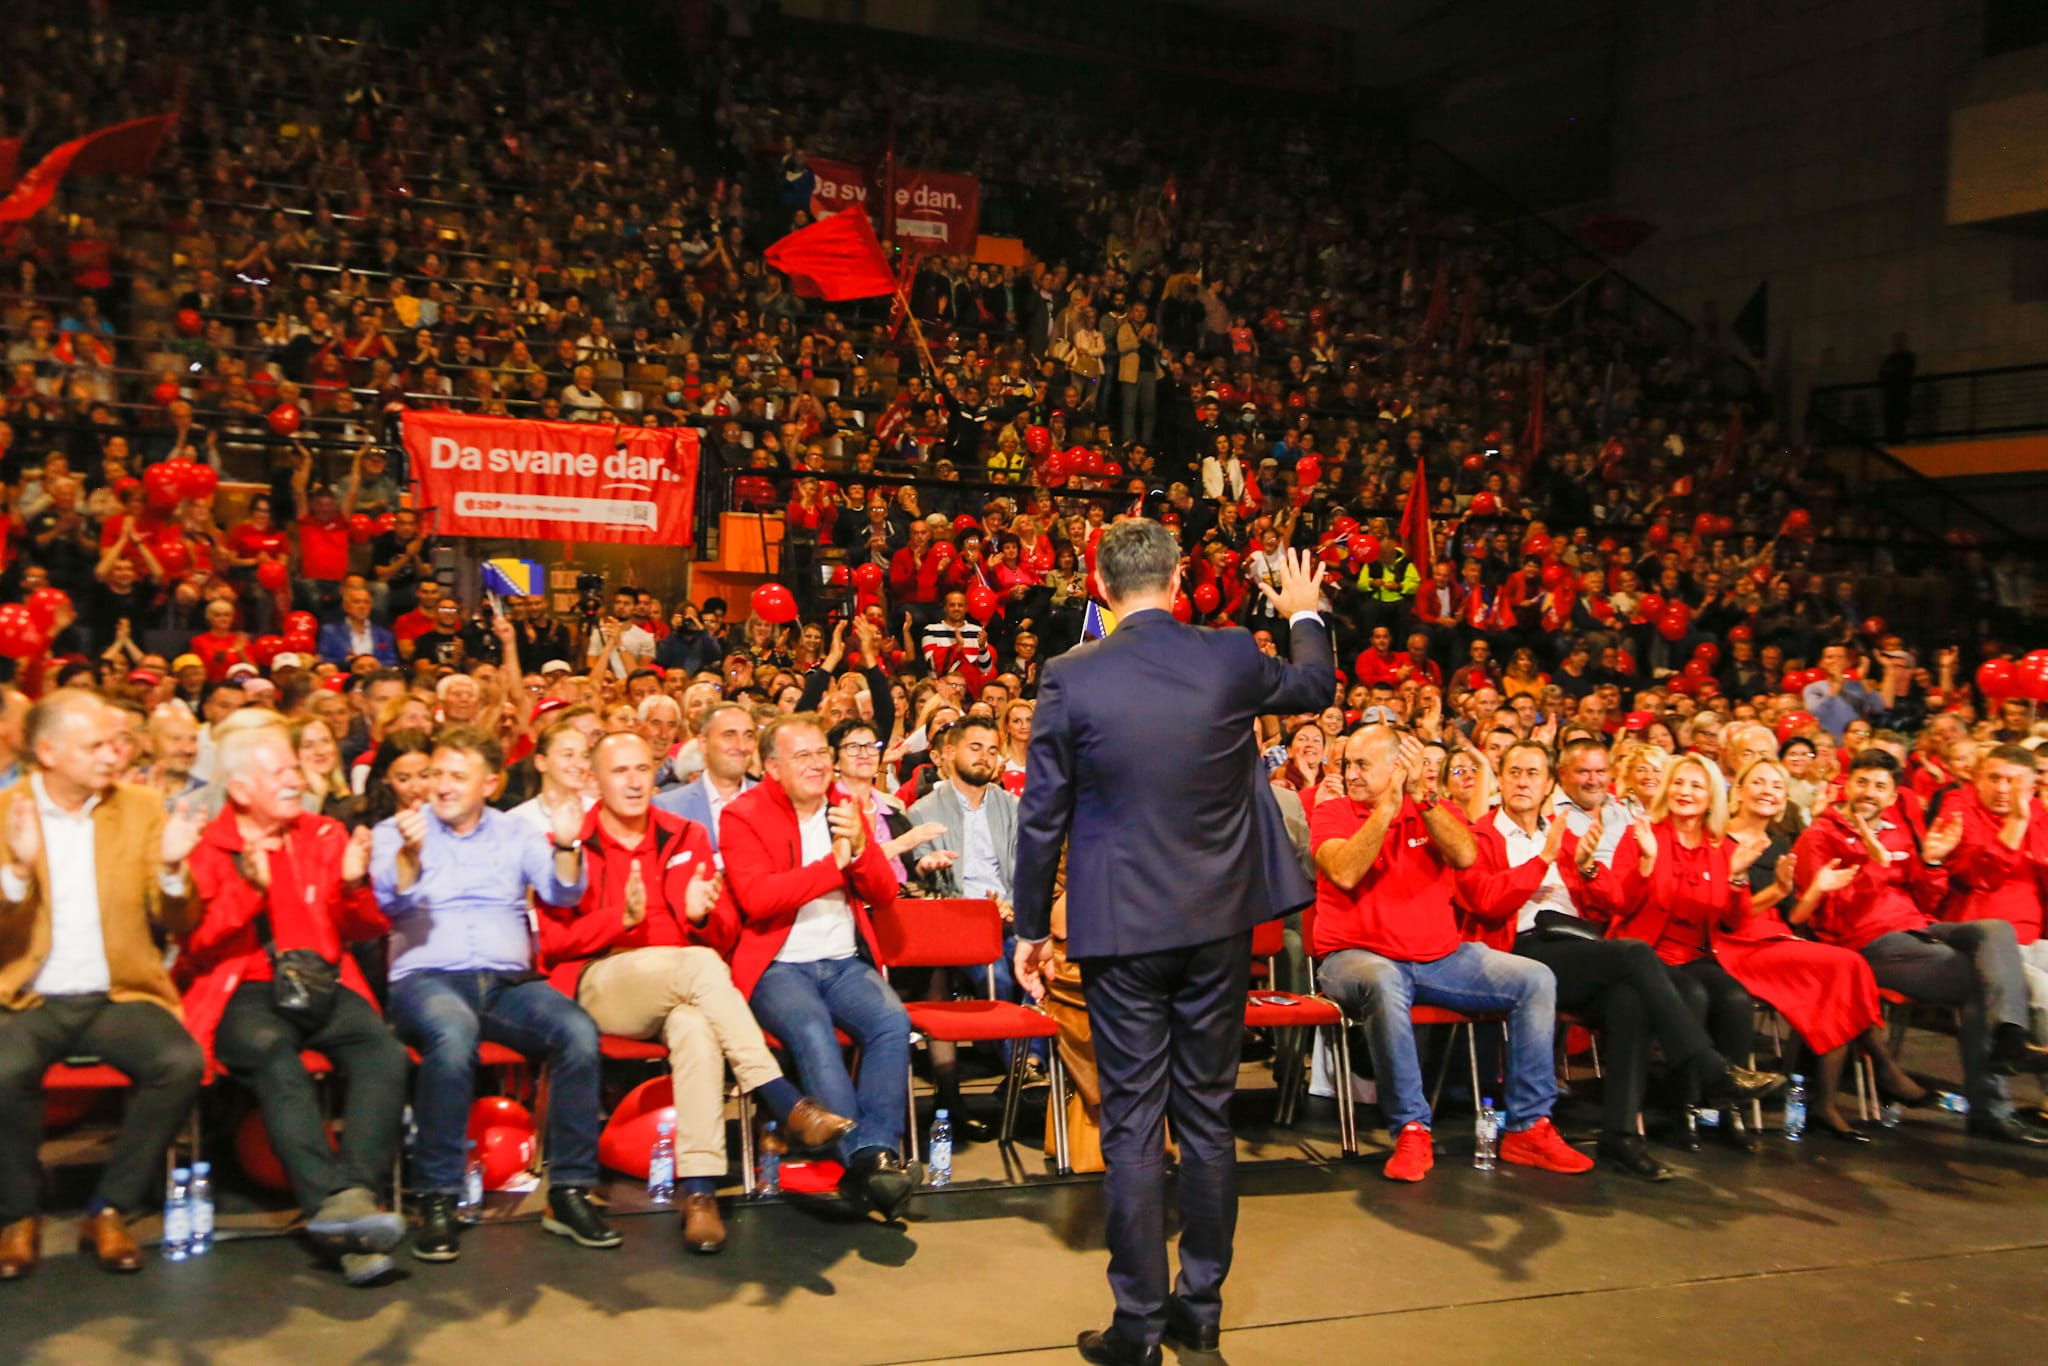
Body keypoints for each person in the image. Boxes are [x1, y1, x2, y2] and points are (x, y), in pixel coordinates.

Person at [1010, 527, 1335, 1366]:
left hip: (1120, 929)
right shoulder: (1228, 655)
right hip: (1218, 923)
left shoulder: (1070, 677)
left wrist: (1030, 930)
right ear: (1181, 577)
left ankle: (1139, 1326)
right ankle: (1202, 1310)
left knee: (1131, 1124)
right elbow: (1314, 682)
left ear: (1099, 583)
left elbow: (1043, 816)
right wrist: (1303, 613)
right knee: (1207, 1117)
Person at [537, 732, 853, 1254]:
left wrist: (701, 915)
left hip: (684, 988)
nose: (636, 780)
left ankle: (700, 1189)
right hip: (602, 982)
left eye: (644, 768)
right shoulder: (573, 841)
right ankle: (782, 1098)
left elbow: (727, 929)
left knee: (697, 1028)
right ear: (594, 781)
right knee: (700, 967)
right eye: (621, 771)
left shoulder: (683, 833)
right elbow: (551, 944)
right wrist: (621, 920)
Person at [1455, 741, 1781, 1179]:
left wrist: (1591, 868)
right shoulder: (1482, 834)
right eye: (1514, 772)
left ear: (1549, 783)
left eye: (1533, 773)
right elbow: (1485, 901)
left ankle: (1620, 1136)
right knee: (1636, 953)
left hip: (1573, 948)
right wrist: (1543, 860)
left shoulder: (1565, 834)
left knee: (1631, 1001)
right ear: (1500, 779)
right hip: (1519, 951)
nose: (1522, 782)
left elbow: (1615, 902)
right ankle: (1708, 1066)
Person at [371, 727, 620, 1260]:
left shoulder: (515, 832)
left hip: (507, 983)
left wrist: (565, 842)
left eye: (456, 776)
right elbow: (389, 904)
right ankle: (437, 1194)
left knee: (577, 1030)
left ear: (489, 782)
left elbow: (562, 890)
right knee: (453, 1034)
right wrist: (412, 854)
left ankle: (571, 1192)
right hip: (428, 980)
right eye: (436, 773)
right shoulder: (398, 829)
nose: (440, 785)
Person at [1312, 725, 1594, 1183]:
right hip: (1352, 958)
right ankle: (1411, 1127)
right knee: (1384, 979)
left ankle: (1528, 1127)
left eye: (1362, 764)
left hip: (1437, 958)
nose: (1351, 774)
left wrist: (1421, 802)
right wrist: (1385, 810)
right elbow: (1344, 871)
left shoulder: (1433, 812)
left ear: (1396, 768)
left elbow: (1465, 857)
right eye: (1348, 764)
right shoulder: (1334, 812)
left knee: (1534, 978)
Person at [180, 726, 409, 1285]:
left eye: (293, 768)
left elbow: (365, 927)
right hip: (246, 992)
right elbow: (195, 944)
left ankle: (350, 1198)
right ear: (239, 789)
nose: (295, 778)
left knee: (385, 1052)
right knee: (272, 1054)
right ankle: (339, 1212)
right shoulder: (208, 847)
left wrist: (355, 886)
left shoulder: (326, 834)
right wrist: (248, 890)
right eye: (278, 771)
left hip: (323, 984)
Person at [0, 690, 207, 1278]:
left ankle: (110, 1205)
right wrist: (15, 873)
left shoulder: (141, 808)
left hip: (118, 992)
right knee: (3, 1069)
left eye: (116, 743)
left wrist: (171, 872)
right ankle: (16, 1215)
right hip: (25, 995)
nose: (113, 755)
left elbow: (180, 923)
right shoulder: (5, 811)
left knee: (178, 1062)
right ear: (48, 752)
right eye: (95, 745)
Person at [720, 713, 921, 1220]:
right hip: (778, 967)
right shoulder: (742, 815)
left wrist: (861, 851)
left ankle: (871, 1158)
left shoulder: (845, 808)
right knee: (811, 1030)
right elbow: (759, 898)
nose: (817, 765)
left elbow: (884, 892)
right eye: (802, 756)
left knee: (891, 1021)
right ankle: (869, 1162)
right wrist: (833, 863)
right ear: (771, 768)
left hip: (842, 962)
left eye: (822, 754)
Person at [1792, 749, 2048, 1144]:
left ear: (1894, 796)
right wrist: (1873, 868)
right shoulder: (1820, 836)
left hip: (1919, 927)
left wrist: (1930, 863)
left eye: (1880, 786)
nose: (1869, 792)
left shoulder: (1897, 830)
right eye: (1862, 782)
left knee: (1997, 932)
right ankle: (1993, 1098)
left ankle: (2009, 1035)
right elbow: (1827, 918)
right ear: (1847, 786)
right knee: (1986, 982)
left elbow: (1927, 900)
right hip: (1868, 943)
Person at [1722, 755, 1928, 1140]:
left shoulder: (1781, 844)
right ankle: (1880, 1070)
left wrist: (1818, 888)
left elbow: (1795, 915)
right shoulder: (1717, 836)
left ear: (1784, 799)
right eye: (1759, 783)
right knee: (1845, 966)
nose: (1768, 791)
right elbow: (1725, 915)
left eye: (1776, 786)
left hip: (1777, 936)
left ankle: (1827, 1101)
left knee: (1845, 969)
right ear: (1738, 791)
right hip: (1732, 941)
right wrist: (1777, 891)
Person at [1592, 752, 1773, 1152]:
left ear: (1712, 798)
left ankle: (1729, 1109)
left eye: (1696, 785)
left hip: (1697, 953)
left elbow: (1733, 922)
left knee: (1735, 998)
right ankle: (1681, 1110)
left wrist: (1738, 876)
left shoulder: (1721, 846)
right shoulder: (1643, 834)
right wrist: (1646, 863)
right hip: (1647, 954)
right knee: (1693, 996)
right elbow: (1620, 903)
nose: (1685, 792)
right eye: (1678, 783)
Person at [652, 701, 755, 850]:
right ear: (703, 743)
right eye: (729, 736)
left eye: (749, 736)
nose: (742, 746)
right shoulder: (667, 808)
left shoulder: (775, 802)